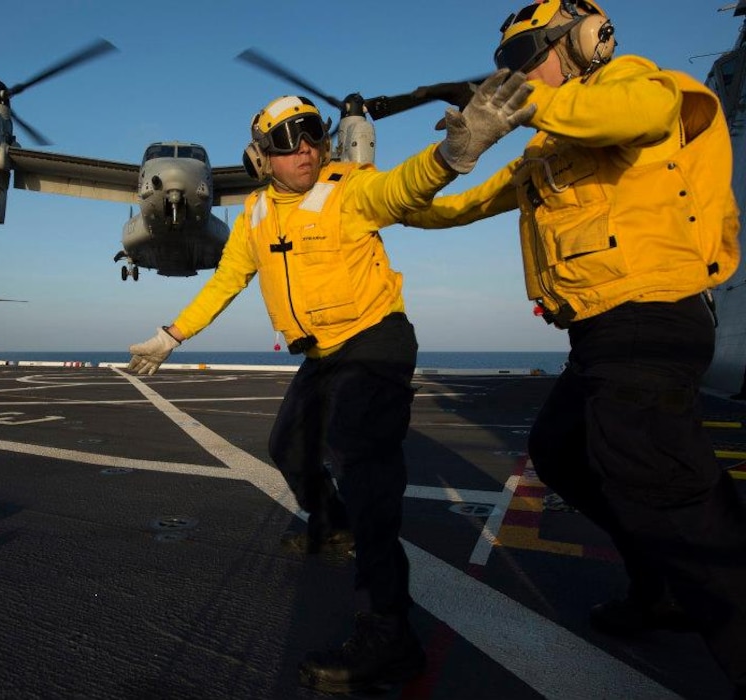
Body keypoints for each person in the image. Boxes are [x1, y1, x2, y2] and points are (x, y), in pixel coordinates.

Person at [126, 73, 535, 694]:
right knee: (287, 450)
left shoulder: (349, 190)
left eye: (314, 134)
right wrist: (169, 335)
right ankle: (334, 527)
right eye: (288, 140)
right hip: (321, 355)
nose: (307, 149)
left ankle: (389, 636)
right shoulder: (257, 213)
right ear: (260, 157)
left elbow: (403, 185)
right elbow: (224, 283)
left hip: (375, 342)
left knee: (363, 465)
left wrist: (453, 156)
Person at [399, 1, 746, 694]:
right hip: (601, 330)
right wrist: (429, 168)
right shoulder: (548, 148)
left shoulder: (642, 86)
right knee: (562, 450)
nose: (519, 72)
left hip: (653, 313)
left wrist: (527, 109)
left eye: (531, 53)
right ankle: (662, 585)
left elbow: (637, 118)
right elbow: (456, 206)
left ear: (585, 38)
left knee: (665, 487)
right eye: (510, 64)